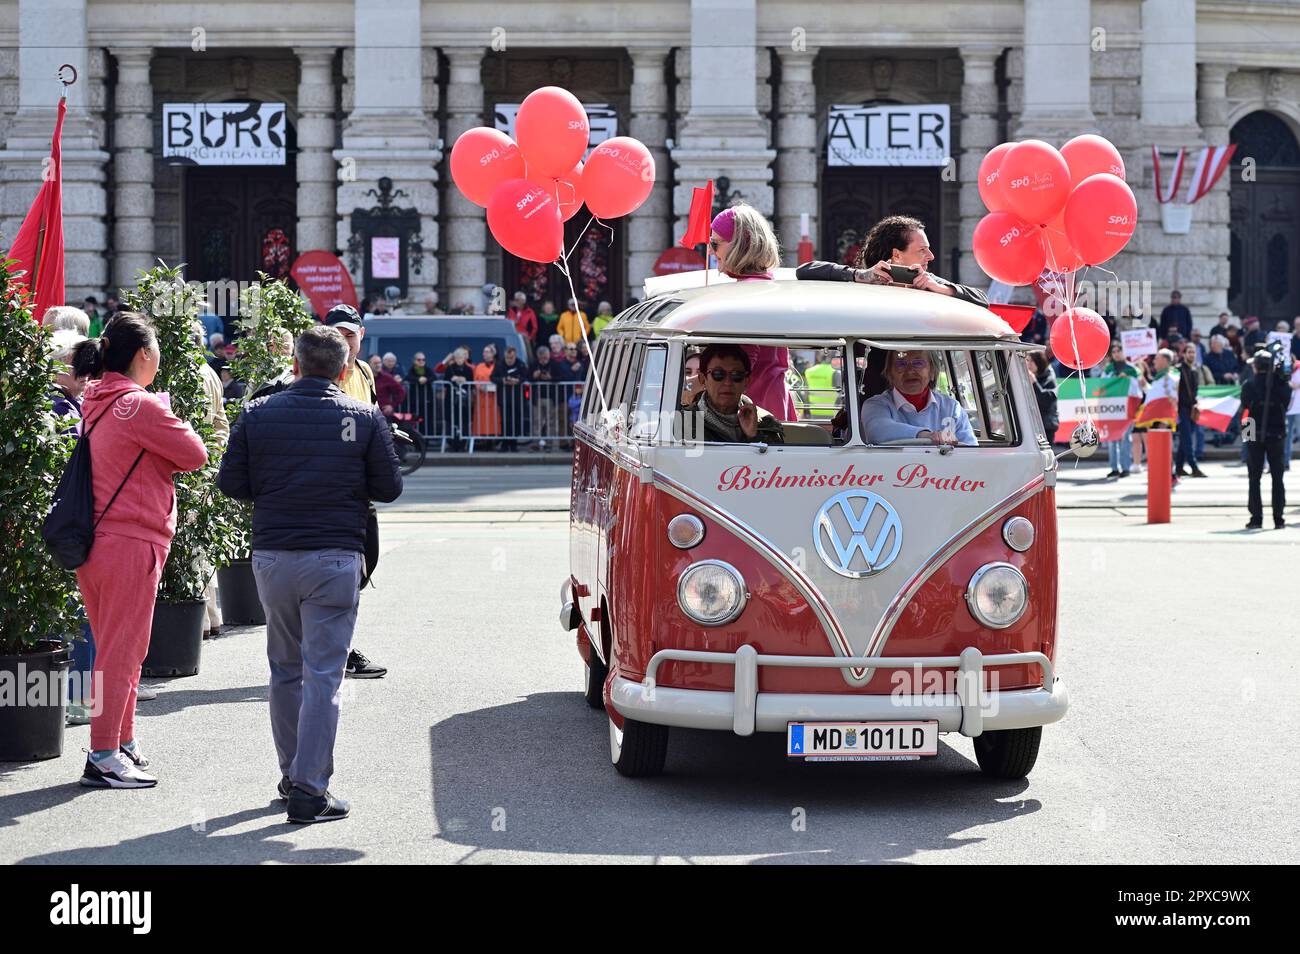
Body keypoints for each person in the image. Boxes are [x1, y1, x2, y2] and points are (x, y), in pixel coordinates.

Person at [217, 324, 402, 822]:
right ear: (343, 371)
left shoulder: (257, 412)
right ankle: (309, 789)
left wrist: (278, 487)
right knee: (324, 675)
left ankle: (291, 774)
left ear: (295, 365)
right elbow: (389, 489)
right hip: (335, 556)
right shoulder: (362, 416)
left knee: (284, 669)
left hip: (274, 555)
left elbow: (230, 481)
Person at [70, 313, 209, 788]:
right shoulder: (141, 405)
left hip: (97, 539)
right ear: (144, 355)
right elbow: (195, 454)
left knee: (121, 647)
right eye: (157, 352)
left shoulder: (94, 397)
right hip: (131, 539)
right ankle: (105, 752)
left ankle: (121, 741)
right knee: (120, 651)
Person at [322, 304, 388, 679]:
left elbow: (369, 413)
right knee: (340, 570)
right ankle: (335, 650)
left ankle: (336, 645)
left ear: (361, 336)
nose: (345, 341)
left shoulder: (363, 371)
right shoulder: (325, 372)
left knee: (364, 561)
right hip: (337, 484)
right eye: (338, 334)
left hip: (360, 484)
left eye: (350, 334)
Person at [707, 205, 798, 421]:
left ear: (740, 244)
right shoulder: (763, 285)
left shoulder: (748, 291)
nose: (710, 251)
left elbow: (739, 362)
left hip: (752, 414)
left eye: (715, 243)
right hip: (767, 405)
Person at [49, 329, 95, 725]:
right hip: (69, 524)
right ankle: (78, 698)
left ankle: (80, 696)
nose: (85, 375)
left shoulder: (71, 405)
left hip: (70, 522)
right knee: (75, 612)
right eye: (77, 368)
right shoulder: (61, 410)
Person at [796, 214, 989, 307]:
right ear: (896, 254)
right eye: (922, 250)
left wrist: (942, 289)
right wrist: (859, 275)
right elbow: (804, 270)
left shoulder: (924, 280)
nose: (931, 256)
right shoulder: (863, 279)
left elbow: (982, 300)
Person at [192, 321, 230, 640]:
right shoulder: (210, 373)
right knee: (202, 545)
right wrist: (213, 459)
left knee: (189, 545)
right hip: (205, 467)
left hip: (185, 468)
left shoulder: (184, 376)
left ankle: (201, 620)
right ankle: (211, 617)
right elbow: (222, 424)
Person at [860, 350, 977, 446]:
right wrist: (925, 435)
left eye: (918, 363)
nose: (910, 371)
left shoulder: (952, 408)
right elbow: (877, 431)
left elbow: (972, 451)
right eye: (901, 364)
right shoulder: (875, 405)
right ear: (890, 374)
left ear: (932, 371)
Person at [681, 344, 785, 444]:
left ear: (746, 382)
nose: (728, 383)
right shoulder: (681, 422)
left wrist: (753, 437)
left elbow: (775, 461)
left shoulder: (766, 424)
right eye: (718, 374)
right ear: (703, 379)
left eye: (737, 376)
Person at [1240, 350, 1289, 529]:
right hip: (1277, 432)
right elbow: (1287, 403)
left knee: (1254, 477)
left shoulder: (1249, 384)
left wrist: (1246, 439)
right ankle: (1279, 518)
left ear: (1256, 367)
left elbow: (1245, 410)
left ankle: (1256, 518)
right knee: (1278, 476)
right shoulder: (1282, 384)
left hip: (1253, 430)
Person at [1100, 342, 1139, 477]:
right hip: (1112, 408)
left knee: (1125, 438)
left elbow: (1137, 391)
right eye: (1114, 351)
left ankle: (1126, 467)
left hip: (1126, 408)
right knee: (1112, 439)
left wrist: (1127, 380)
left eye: (1119, 351)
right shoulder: (1108, 370)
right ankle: (1114, 467)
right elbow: (1102, 387)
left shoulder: (1132, 369)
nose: (1116, 354)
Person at [1175, 342, 1206, 478]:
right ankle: (1194, 467)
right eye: (1189, 352)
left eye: (1193, 352)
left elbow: (1195, 391)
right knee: (1187, 439)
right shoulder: (1178, 370)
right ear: (1184, 354)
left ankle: (1179, 467)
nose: (1192, 355)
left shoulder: (1195, 370)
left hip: (1191, 409)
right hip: (1181, 409)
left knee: (1184, 440)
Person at [530, 344, 569, 450]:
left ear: (548, 356)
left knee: (550, 421)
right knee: (537, 421)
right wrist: (534, 376)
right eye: (541, 358)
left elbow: (561, 377)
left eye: (546, 358)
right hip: (537, 398)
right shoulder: (534, 365)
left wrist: (550, 378)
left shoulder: (554, 364)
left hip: (550, 398)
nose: (544, 360)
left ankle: (549, 443)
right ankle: (535, 442)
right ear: (538, 357)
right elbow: (528, 377)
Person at [442, 346, 475, 451]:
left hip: (464, 401)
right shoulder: (450, 368)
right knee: (451, 421)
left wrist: (464, 380)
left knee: (464, 422)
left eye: (461, 357)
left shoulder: (469, 369)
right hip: (451, 400)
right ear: (454, 358)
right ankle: (452, 443)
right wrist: (453, 380)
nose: (459, 359)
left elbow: (471, 384)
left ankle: (463, 444)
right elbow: (446, 383)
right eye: (457, 357)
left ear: (464, 358)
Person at [497, 345, 528, 450]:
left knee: (516, 420)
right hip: (504, 397)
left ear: (515, 356)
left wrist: (518, 381)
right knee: (505, 420)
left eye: (512, 357)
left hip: (517, 397)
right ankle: (505, 443)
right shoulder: (500, 364)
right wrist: (503, 380)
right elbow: (493, 377)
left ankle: (514, 443)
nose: (509, 360)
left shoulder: (520, 364)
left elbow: (526, 376)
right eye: (508, 357)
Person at [472, 343, 502, 445]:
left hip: (494, 398)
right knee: (481, 420)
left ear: (493, 354)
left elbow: (499, 380)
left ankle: (493, 439)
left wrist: (489, 388)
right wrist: (479, 387)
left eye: (487, 351)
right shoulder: (479, 366)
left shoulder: (498, 366)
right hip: (481, 399)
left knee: (493, 420)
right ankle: (482, 440)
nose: (484, 353)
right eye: (484, 351)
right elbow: (474, 380)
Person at [1027, 351, 1059, 443]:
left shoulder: (1049, 377)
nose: (1029, 364)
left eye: (1032, 361)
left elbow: (1046, 400)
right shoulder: (1027, 376)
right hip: (1032, 424)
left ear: (1039, 362)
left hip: (1046, 426)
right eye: (1027, 360)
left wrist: (1034, 383)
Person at [405, 351, 435, 423]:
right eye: (419, 360)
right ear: (414, 361)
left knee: (427, 419)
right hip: (414, 400)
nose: (421, 361)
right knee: (415, 419)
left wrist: (426, 379)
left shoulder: (428, 369)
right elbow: (408, 377)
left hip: (427, 399)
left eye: (423, 359)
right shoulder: (411, 370)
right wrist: (418, 379)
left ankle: (427, 434)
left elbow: (434, 377)